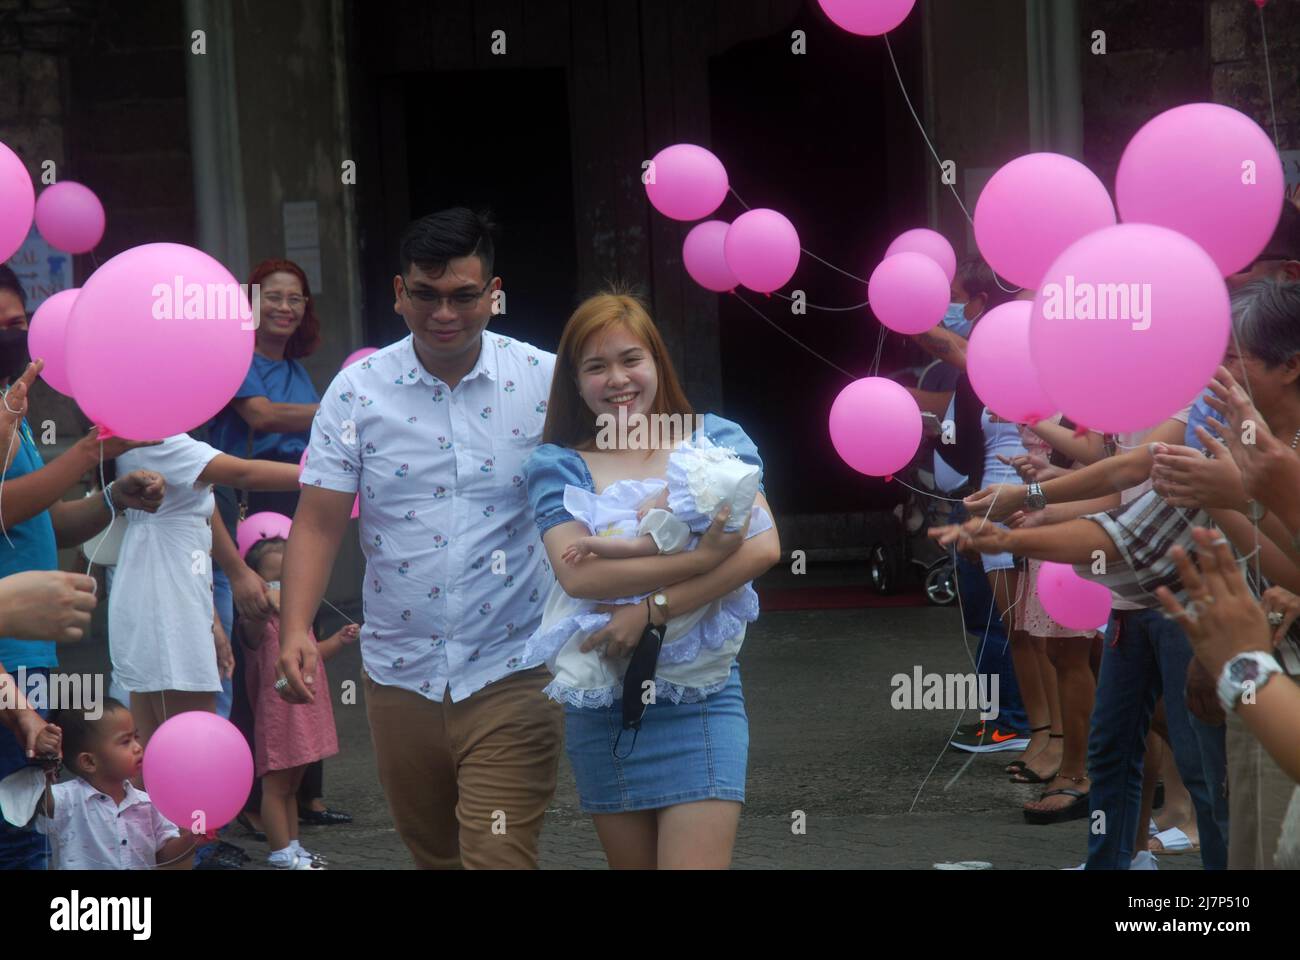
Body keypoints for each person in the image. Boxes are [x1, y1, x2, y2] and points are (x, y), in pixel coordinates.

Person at [280, 207, 563, 869]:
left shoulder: (548, 383)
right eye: (427, 295)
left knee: (498, 857)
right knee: (434, 858)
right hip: (398, 675)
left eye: (464, 296)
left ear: (494, 293)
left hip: (514, 669)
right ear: (399, 293)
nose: (445, 313)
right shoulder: (356, 392)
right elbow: (320, 521)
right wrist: (295, 627)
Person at [523, 290, 781, 869]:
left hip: (703, 700)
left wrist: (650, 608)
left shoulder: (714, 439)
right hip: (604, 704)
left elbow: (764, 546)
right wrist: (699, 558)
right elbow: (578, 576)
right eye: (596, 366)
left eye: (630, 359)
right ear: (575, 380)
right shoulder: (557, 464)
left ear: (657, 363)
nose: (617, 379)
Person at [0, 268, 167, 871]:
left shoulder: (9, 411)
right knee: (16, 830)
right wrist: (85, 452)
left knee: (29, 817)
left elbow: (45, 523)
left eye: (19, 325)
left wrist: (112, 499)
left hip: (32, 654)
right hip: (7, 657)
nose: (12, 337)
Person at [206, 258, 345, 828]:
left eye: (297, 299)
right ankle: (247, 798)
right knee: (255, 646)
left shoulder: (298, 371)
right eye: (274, 297)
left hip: (296, 502)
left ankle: (304, 792)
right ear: (250, 304)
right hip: (247, 501)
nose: (286, 308)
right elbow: (261, 417)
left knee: (299, 632)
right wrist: (338, 408)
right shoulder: (233, 360)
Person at [109, 434, 300, 750]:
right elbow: (244, 473)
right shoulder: (164, 442)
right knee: (192, 746)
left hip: (159, 589)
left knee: (155, 745)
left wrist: (210, 619)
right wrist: (323, 472)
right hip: (169, 600)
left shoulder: (140, 440)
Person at [239, 536, 356, 870]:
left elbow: (314, 656)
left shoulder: (298, 623)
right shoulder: (257, 624)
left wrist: (338, 640)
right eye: (273, 579)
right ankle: (280, 853)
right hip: (279, 715)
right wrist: (266, 600)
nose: (282, 587)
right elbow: (255, 626)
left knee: (292, 786)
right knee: (275, 787)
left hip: (306, 713)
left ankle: (293, 847)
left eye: (288, 578)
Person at [34, 698, 213, 869]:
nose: (138, 747)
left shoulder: (148, 803)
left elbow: (162, 856)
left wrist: (191, 839)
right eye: (125, 742)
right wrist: (46, 766)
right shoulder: (67, 799)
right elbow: (39, 801)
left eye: (136, 737)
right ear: (89, 762)